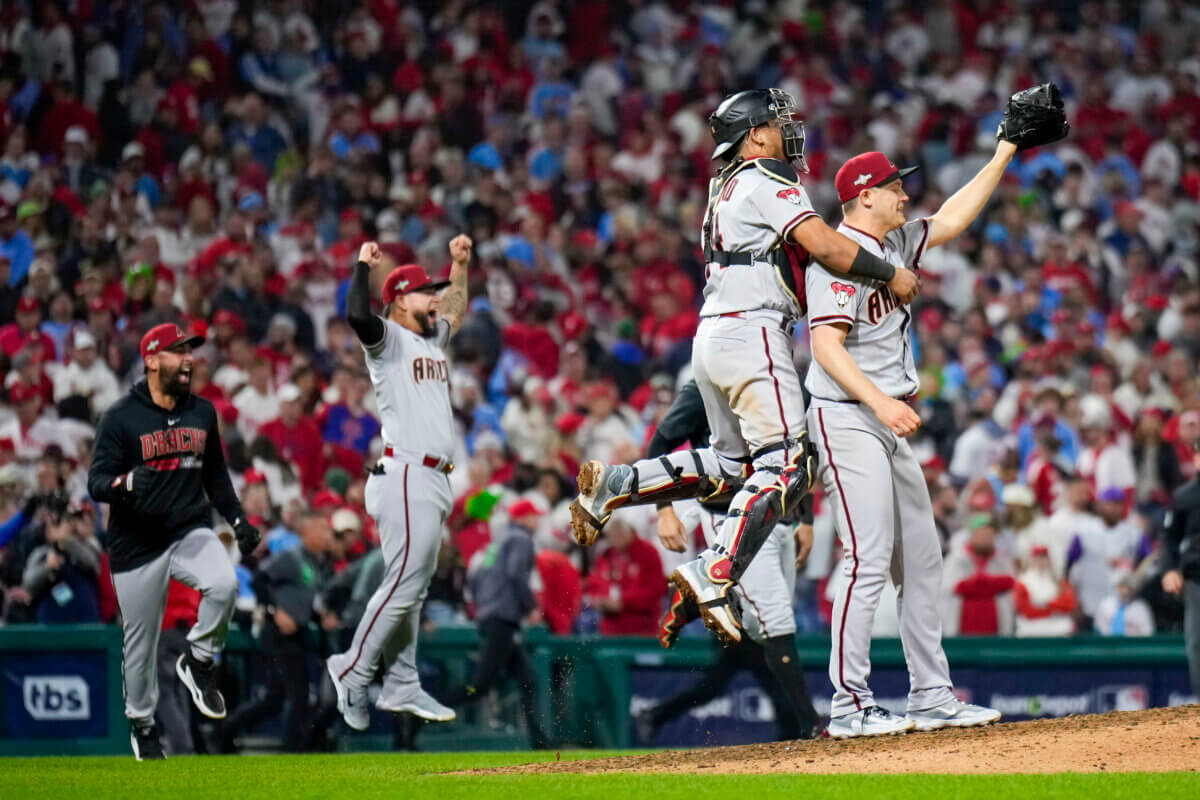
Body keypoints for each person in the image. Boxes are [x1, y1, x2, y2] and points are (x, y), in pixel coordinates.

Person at [570, 87, 920, 645]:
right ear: (754, 134)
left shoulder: (723, 187)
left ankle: (620, 481)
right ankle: (714, 571)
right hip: (753, 330)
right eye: (779, 122)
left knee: (735, 470)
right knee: (787, 466)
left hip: (713, 335)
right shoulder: (765, 179)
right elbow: (825, 247)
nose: (789, 130)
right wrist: (889, 273)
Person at [804, 125, 1040, 735]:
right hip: (846, 414)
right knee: (867, 557)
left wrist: (1003, 154)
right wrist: (881, 403)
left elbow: (953, 218)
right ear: (862, 196)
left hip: (883, 421)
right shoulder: (834, 254)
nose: (903, 195)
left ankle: (931, 694)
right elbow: (825, 348)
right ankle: (849, 704)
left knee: (924, 560)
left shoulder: (900, 241)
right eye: (892, 187)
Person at [87, 322, 262, 760]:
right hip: (136, 543)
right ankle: (143, 726)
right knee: (140, 649)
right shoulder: (121, 416)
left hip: (188, 528)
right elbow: (96, 482)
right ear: (151, 359)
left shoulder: (202, 411)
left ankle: (199, 661)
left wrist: (238, 518)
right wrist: (126, 482)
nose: (187, 359)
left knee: (223, 584)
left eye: (190, 351)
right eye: (176, 351)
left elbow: (216, 475)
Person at [325, 236, 470, 730]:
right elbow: (357, 317)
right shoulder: (388, 336)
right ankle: (352, 668)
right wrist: (360, 268)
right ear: (400, 299)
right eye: (424, 291)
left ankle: (402, 681)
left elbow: (456, 305)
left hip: (429, 478)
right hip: (406, 471)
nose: (435, 297)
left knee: (412, 585)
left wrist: (459, 265)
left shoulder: (430, 340)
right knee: (404, 583)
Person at [219, 512, 337, 752]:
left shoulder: (317, 563)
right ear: (307, 534)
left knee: (276, 698)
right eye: (323, 530)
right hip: (278, 634)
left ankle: (227, 731)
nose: (328, 535)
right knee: (295, 695)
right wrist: (275, 611)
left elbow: (304, 598)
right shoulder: (291, 557)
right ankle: (295, 747)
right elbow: (259, 580)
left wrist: (320, 616)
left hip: (297, 634)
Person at [445, 499, 549, 748]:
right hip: (501, 620)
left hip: (493, 616)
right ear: (522, 518)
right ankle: (427, 710)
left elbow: (477, 578)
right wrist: (531, 607)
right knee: (480, 685)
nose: (537, 521)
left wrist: (486, 607)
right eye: (533, 516)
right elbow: (515, 573)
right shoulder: (521, 539)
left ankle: (539, 740)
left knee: (528, 679)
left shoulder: (498, 542)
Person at [1161, 437, 1200, 695]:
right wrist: (1170, 569)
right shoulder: (1185, 496)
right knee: (1197, 641)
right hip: (1197, 577)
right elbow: (1169, 539)